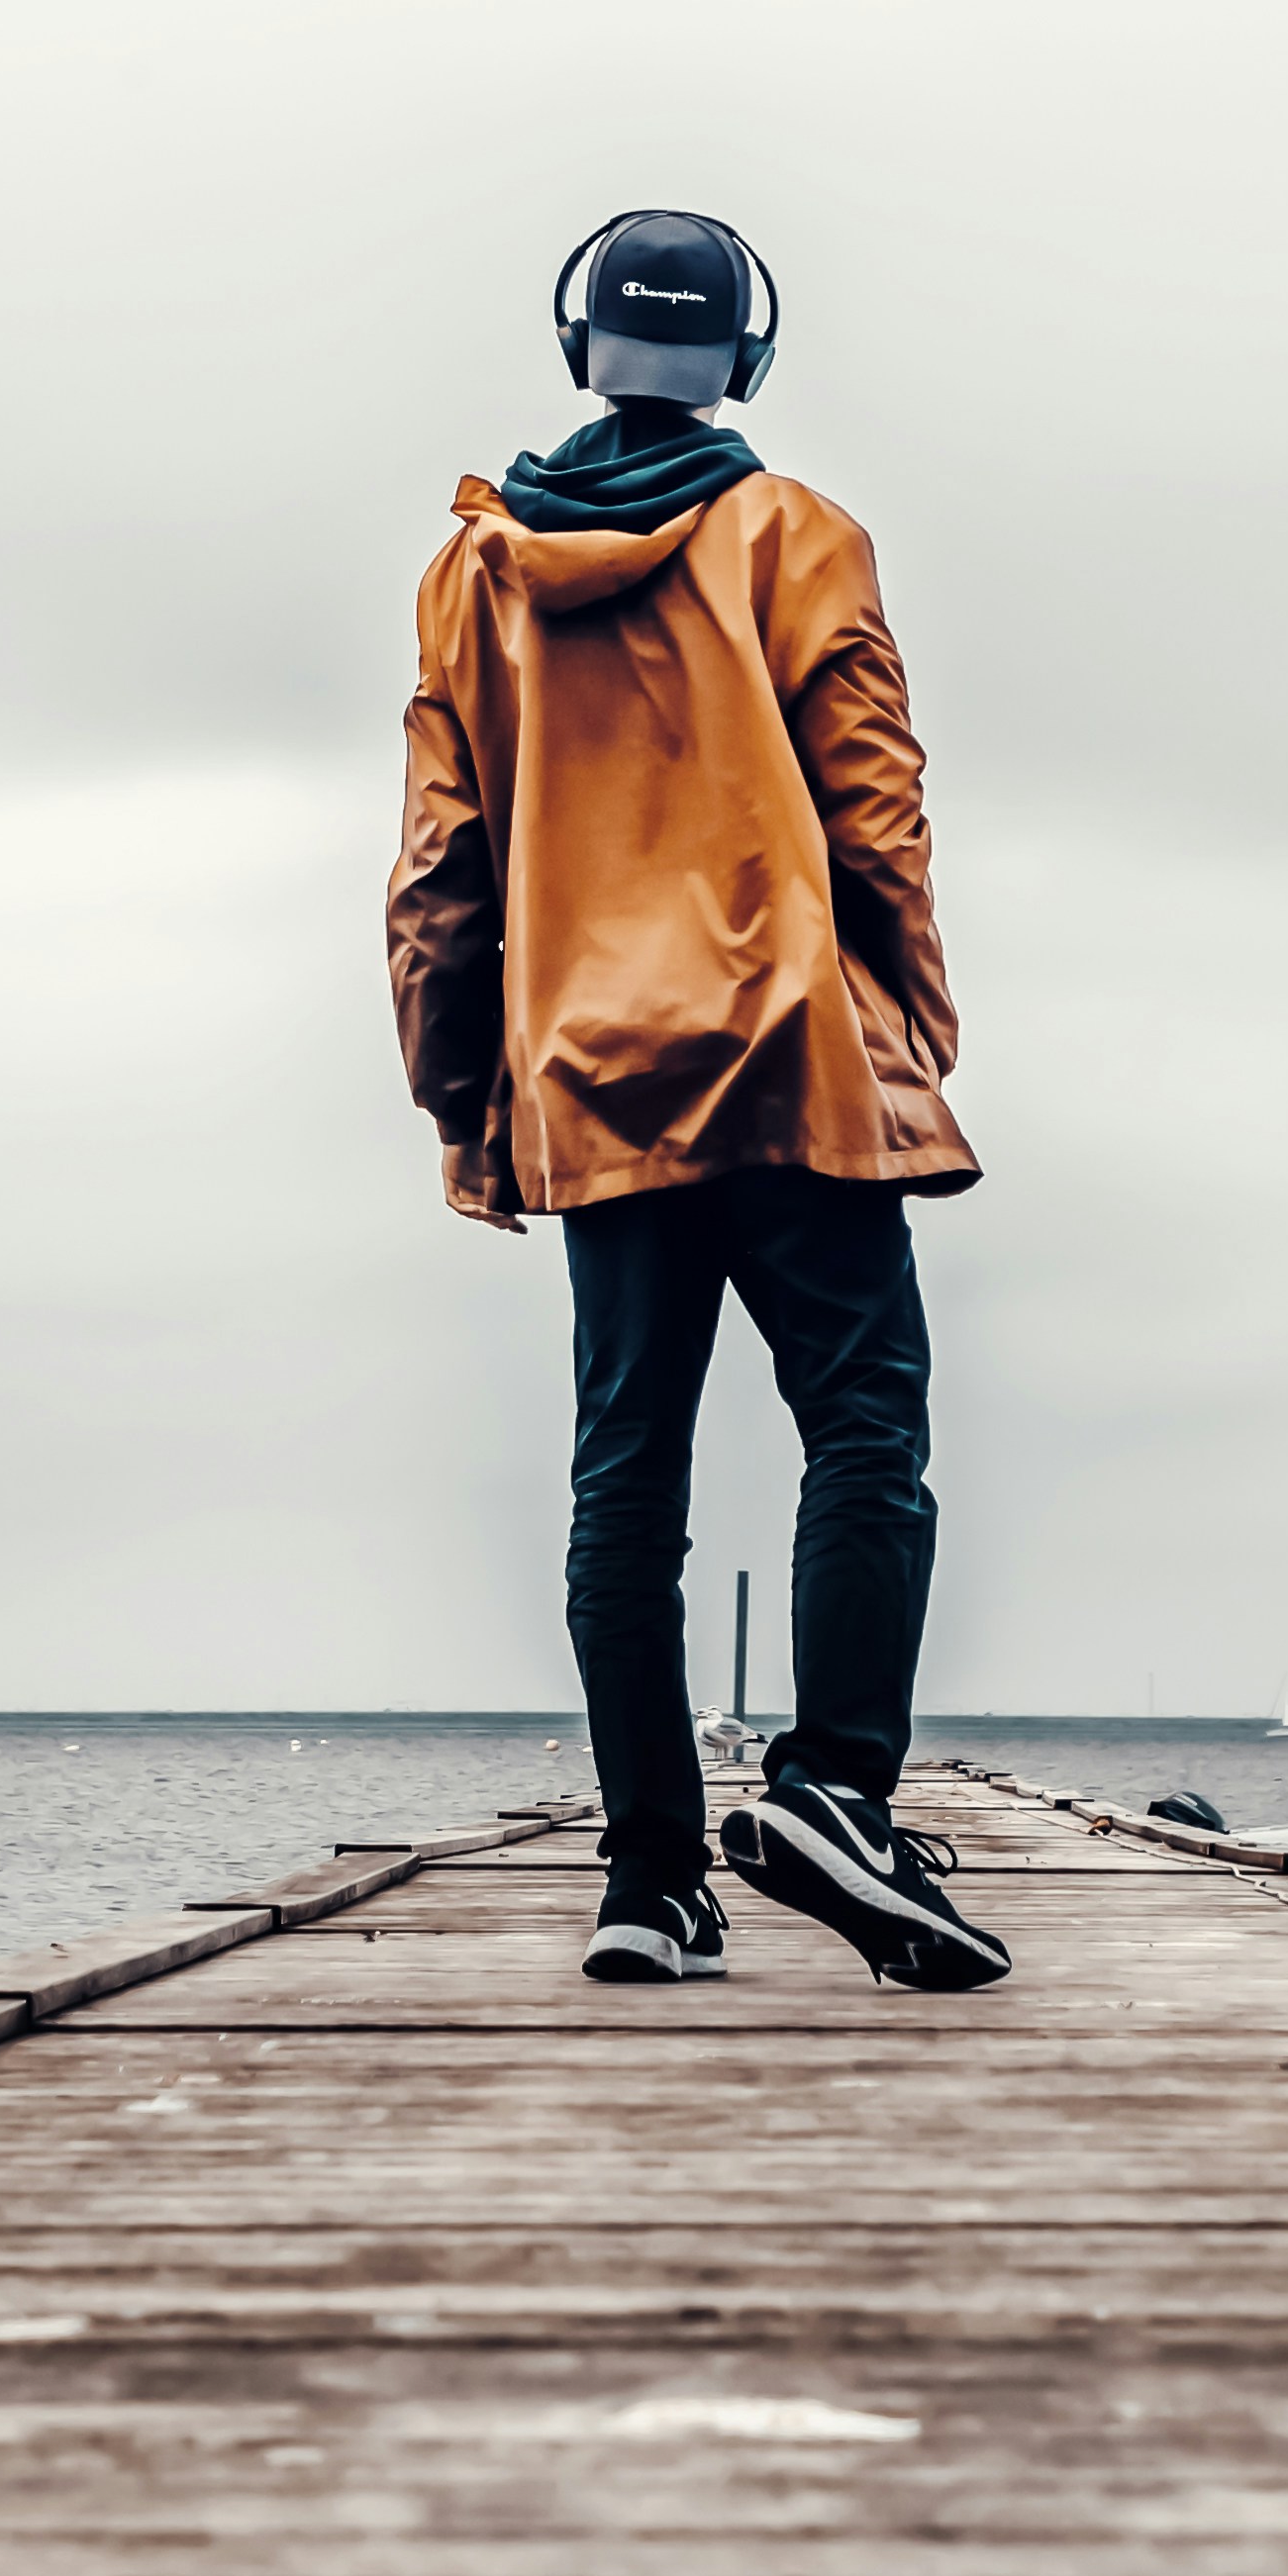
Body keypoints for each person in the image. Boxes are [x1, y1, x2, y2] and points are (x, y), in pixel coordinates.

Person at [384, 207, 1008, 1992]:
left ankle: (650, 1878)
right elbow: (873, 804)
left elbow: (443, 866)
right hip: (795, 1053)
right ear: (745, 360)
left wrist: (458, 1094)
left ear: (583, 347)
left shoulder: (474, 575)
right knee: (867, 1430)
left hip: (588, 1072)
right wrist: (916, 1027)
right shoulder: (799, 539)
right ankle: (836, 1790)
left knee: (623, 1481)